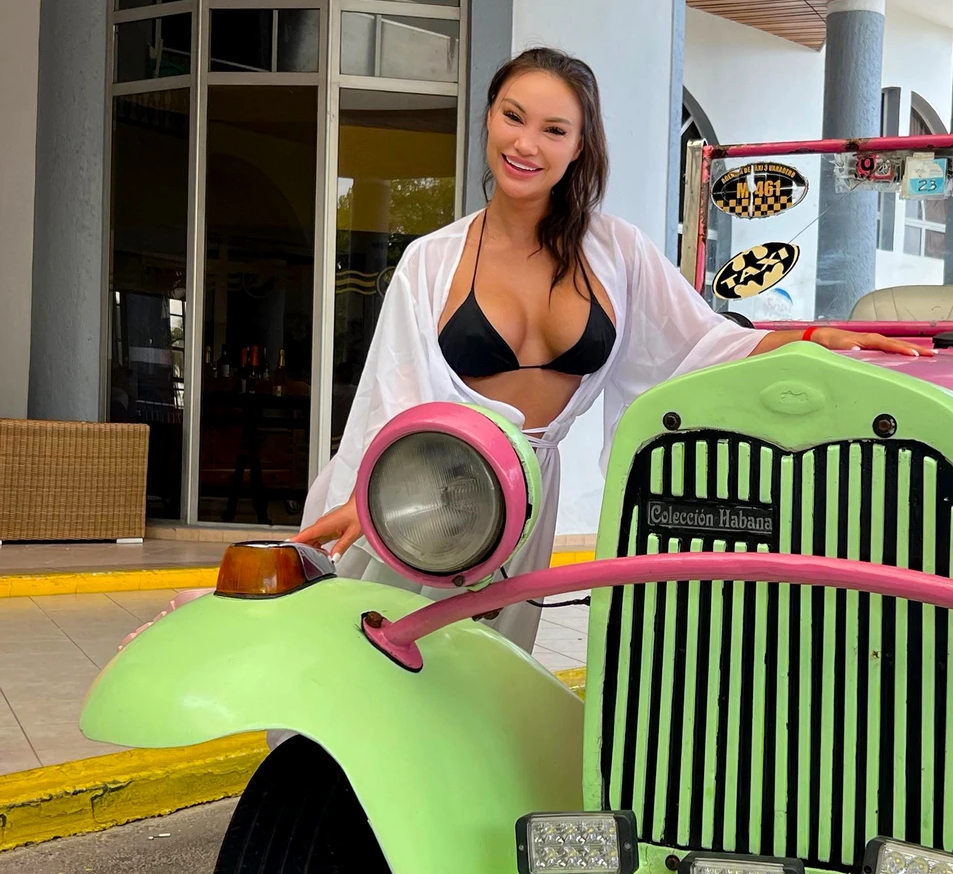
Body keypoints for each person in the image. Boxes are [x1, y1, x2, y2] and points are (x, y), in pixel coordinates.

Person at [297, 47, 920, 649]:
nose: (525, 144)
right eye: (512, 116)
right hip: (425, 489)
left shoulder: (616, 251)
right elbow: (393, 390)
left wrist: (809, 340)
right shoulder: (431, 261)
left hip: (526, 493)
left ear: (579, 147)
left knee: (486, 673)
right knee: (379, 652)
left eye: (553, 129)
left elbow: (701, 343)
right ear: (489, 115)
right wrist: (368, 496)